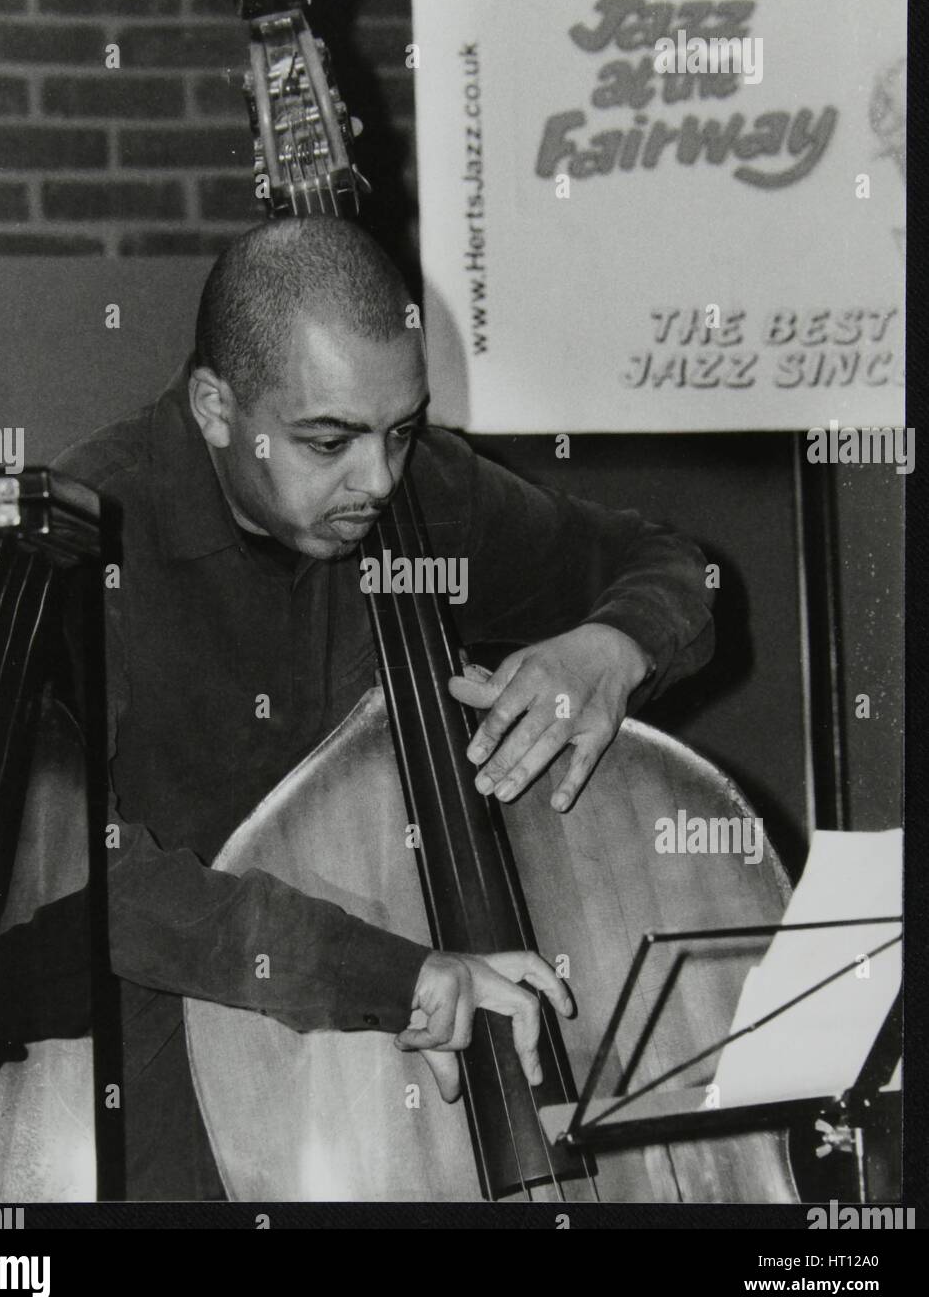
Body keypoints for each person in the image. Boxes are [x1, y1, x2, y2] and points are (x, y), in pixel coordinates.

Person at [54, 216, 715, 1199]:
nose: (377, 481)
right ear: (215, 406)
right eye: (328, 439)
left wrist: (609, 646)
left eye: (401, 430)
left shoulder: (421, 496)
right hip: (193, 1091)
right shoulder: (86, 536)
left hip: (425, 1088)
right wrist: (394, 977)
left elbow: (667, 565)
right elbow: (78, 877)